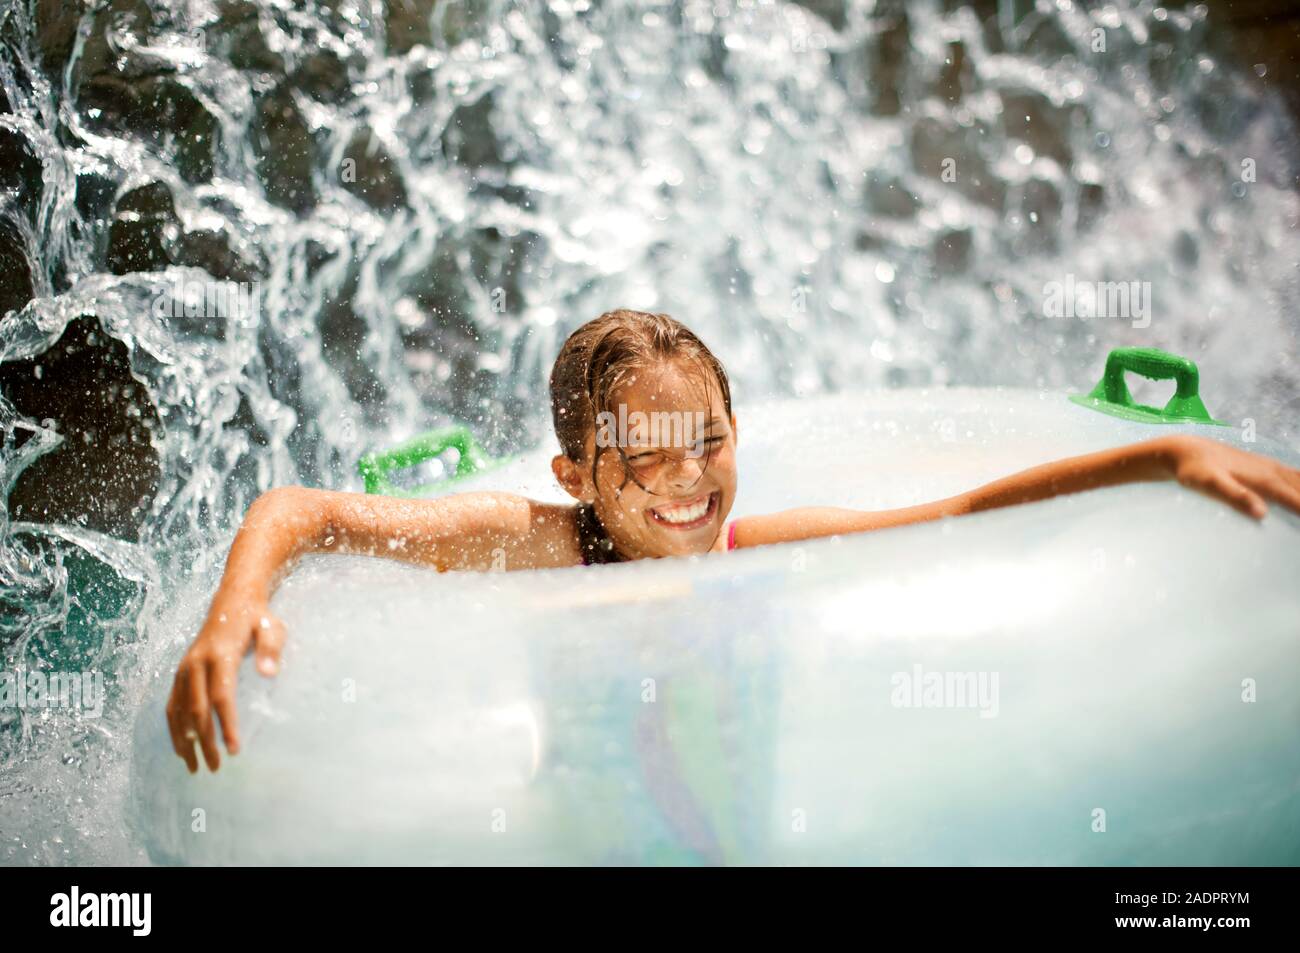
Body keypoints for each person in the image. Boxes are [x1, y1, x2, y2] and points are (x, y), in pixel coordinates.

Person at [168, 309, 1300, 772]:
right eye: (648, 455)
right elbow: (302, 509)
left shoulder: (752, 545)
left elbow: (954, 514)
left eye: (705, 440)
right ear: (578, 474)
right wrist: (230, 620)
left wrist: (1162, 455)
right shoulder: (544, 539)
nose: (688, 480)